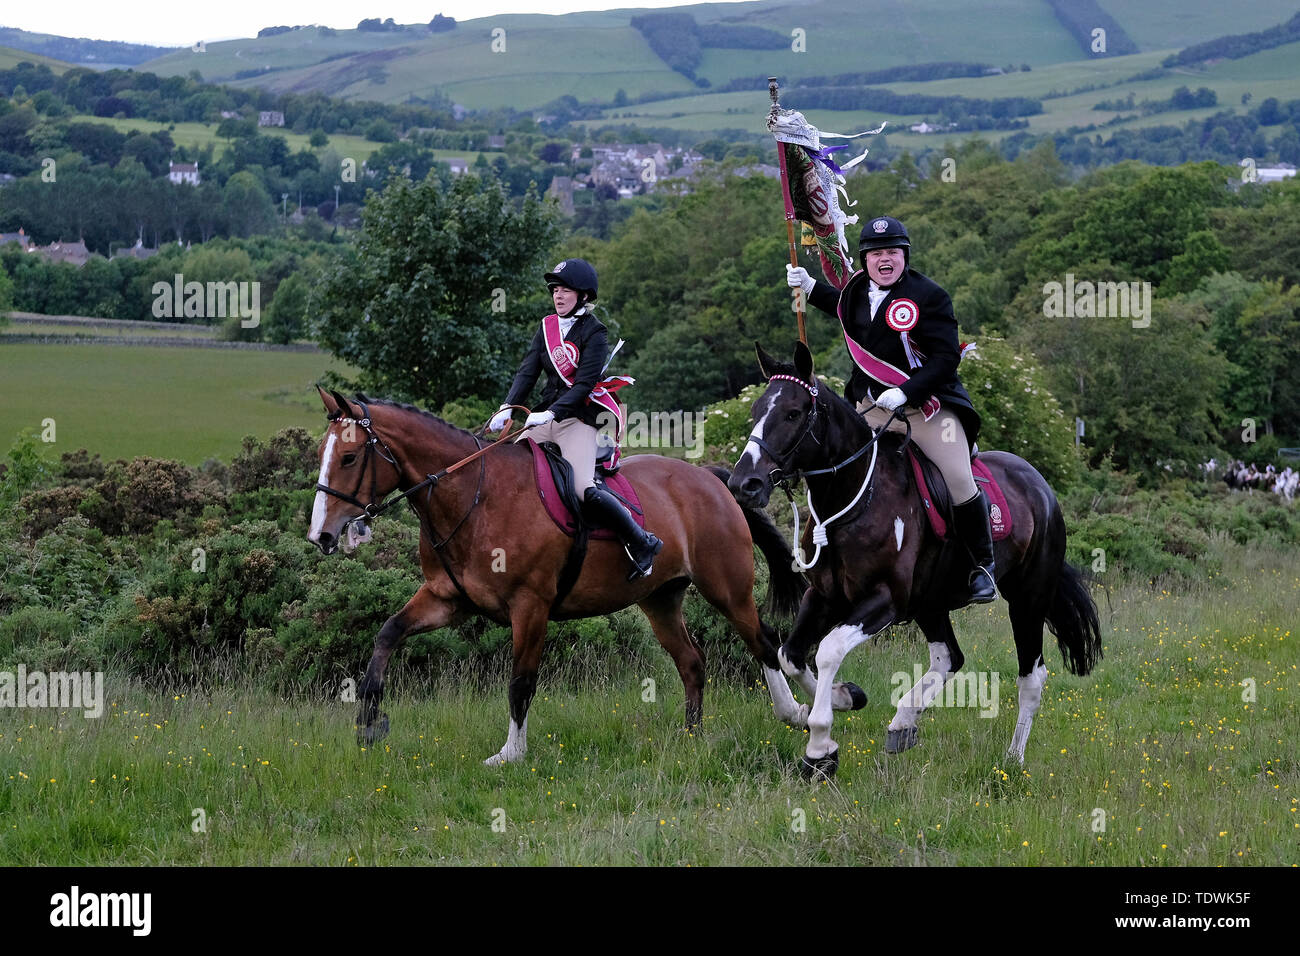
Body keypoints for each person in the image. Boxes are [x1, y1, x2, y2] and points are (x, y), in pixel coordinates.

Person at [785, 216, 996, 606]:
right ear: (865, 259)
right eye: (877, 253)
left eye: (892, 253)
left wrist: (907, 391)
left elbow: (947, 358)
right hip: (873, 406)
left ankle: (983, 566)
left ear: (904, 256)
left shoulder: (930, 296)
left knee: (957, 476)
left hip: (929, 408)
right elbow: (844, 308)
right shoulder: (856, 291)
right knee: (833, 457)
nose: (885, 260)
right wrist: (811, 288)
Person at [489, 258, 662, 580]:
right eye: (555, 289)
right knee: (505, 470)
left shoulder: (595, 332)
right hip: (542, 420)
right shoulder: (545, 328)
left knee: (582, 488)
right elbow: (527, 373)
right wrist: (507, 406)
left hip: (578, 421)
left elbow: (584, 384)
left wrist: (552, 412)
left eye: (565, 289)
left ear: (583, 295)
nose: (558, 295)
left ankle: (641, 542)